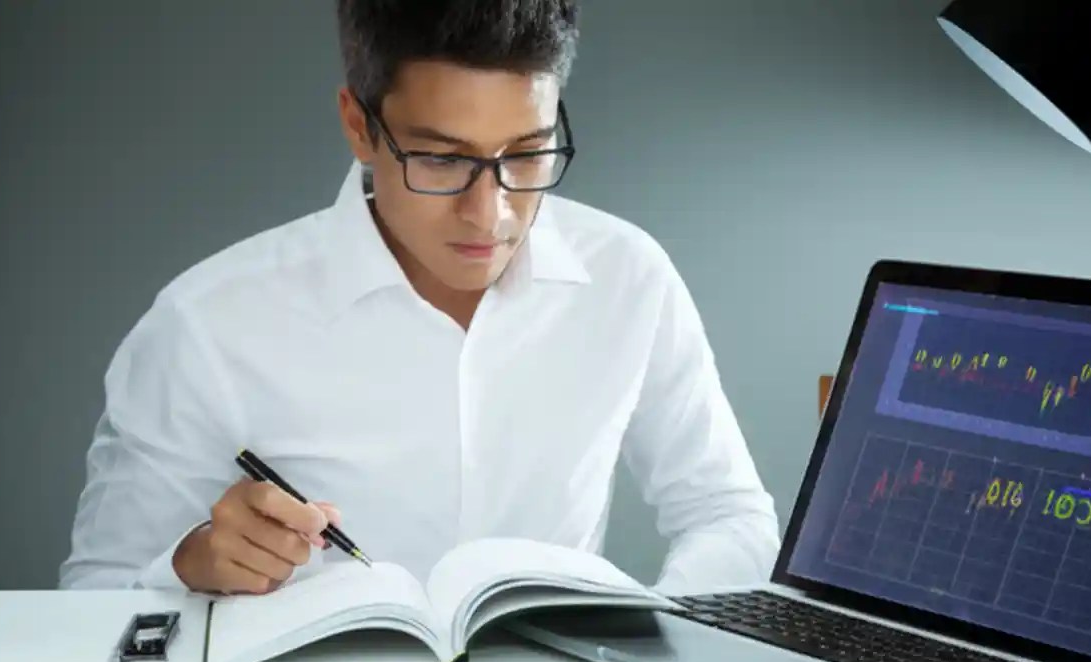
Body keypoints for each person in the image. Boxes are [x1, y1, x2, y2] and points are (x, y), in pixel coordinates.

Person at [59, 0, 781, 597]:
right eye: (441, 158)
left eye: (526, 154)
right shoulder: (207, 321)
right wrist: (189, 564)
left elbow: (731, 517)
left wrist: (654, 628)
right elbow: (91, 597)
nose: (490, 213)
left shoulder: (630, 278)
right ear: (358, 126)